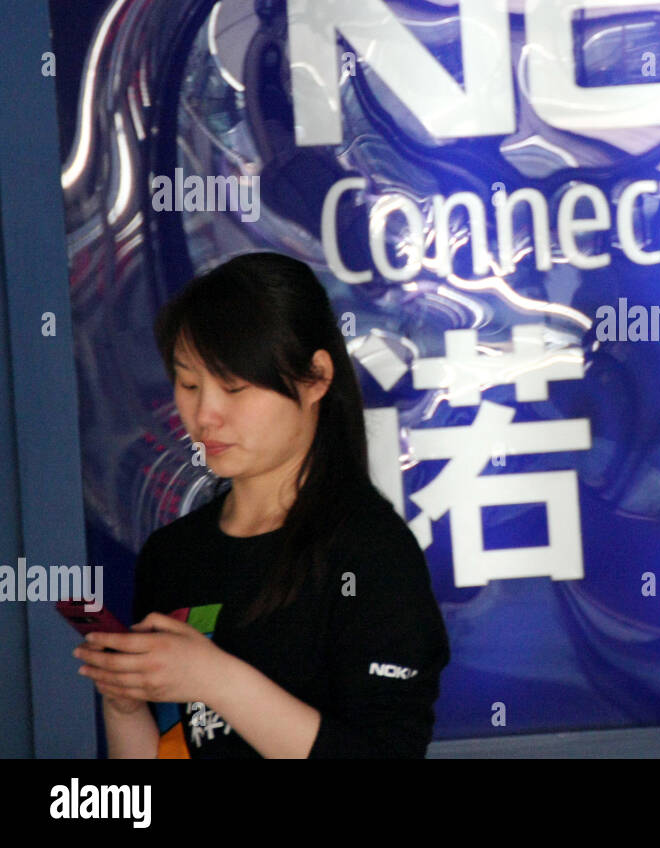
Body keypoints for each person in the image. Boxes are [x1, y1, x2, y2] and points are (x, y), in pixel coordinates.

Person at [73, 252, 450, 758]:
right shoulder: (173, 556)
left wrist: (215, 679)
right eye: (189, 384)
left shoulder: (370, 553)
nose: (205, 414)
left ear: (316, 377)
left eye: (234, 387)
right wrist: (125, 705)